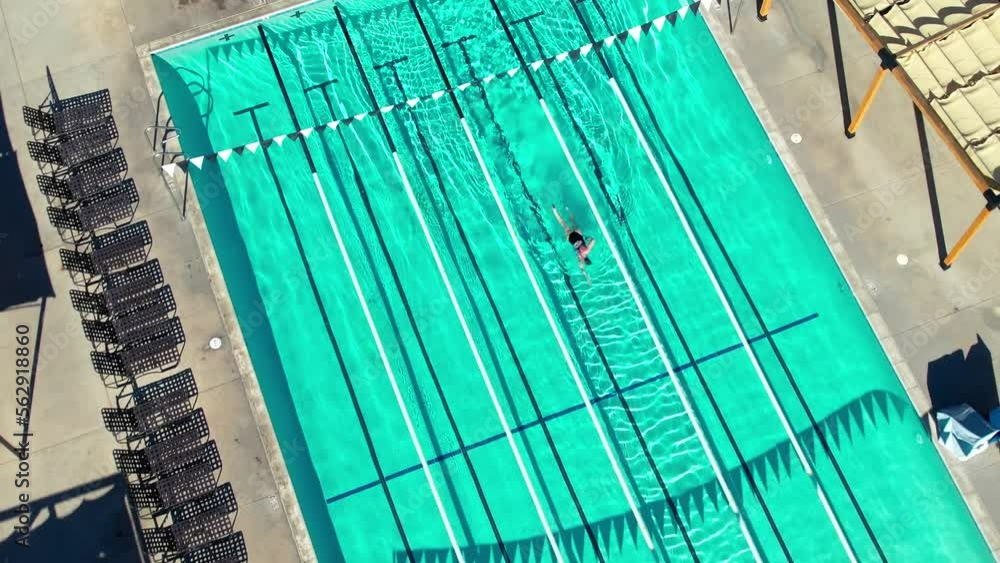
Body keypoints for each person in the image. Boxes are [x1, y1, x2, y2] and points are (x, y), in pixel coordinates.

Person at [552, 205, 596, 282]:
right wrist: (587, 278)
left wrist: (587, 238)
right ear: (584, 260)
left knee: (573, 222)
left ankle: (567, 209)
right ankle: (554, 210)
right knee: (563, 224)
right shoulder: (580, 259)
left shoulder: (587, 251)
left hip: (578, 235)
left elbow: (593, 240)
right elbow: (582, 270)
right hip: (571, 239)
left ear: (588, 257)